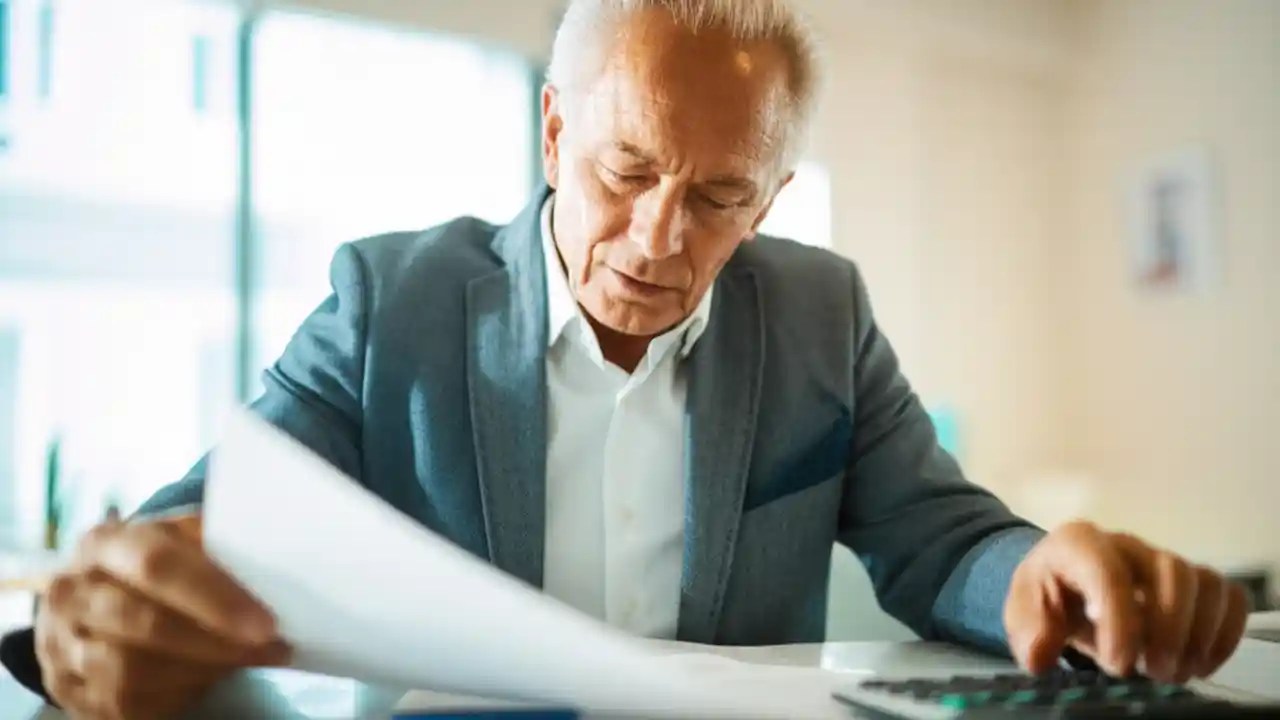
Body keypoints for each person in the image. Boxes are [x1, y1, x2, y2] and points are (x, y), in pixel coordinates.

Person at [2, 1, 1249, 718]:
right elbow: (209, 528)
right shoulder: (391, 301)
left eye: (717, 194)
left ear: (766, 201)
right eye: (627, 169)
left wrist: (1040, 570)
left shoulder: (822, 312)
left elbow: (935, 536)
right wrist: (98, 608)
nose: (661, 239)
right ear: (555, 131)